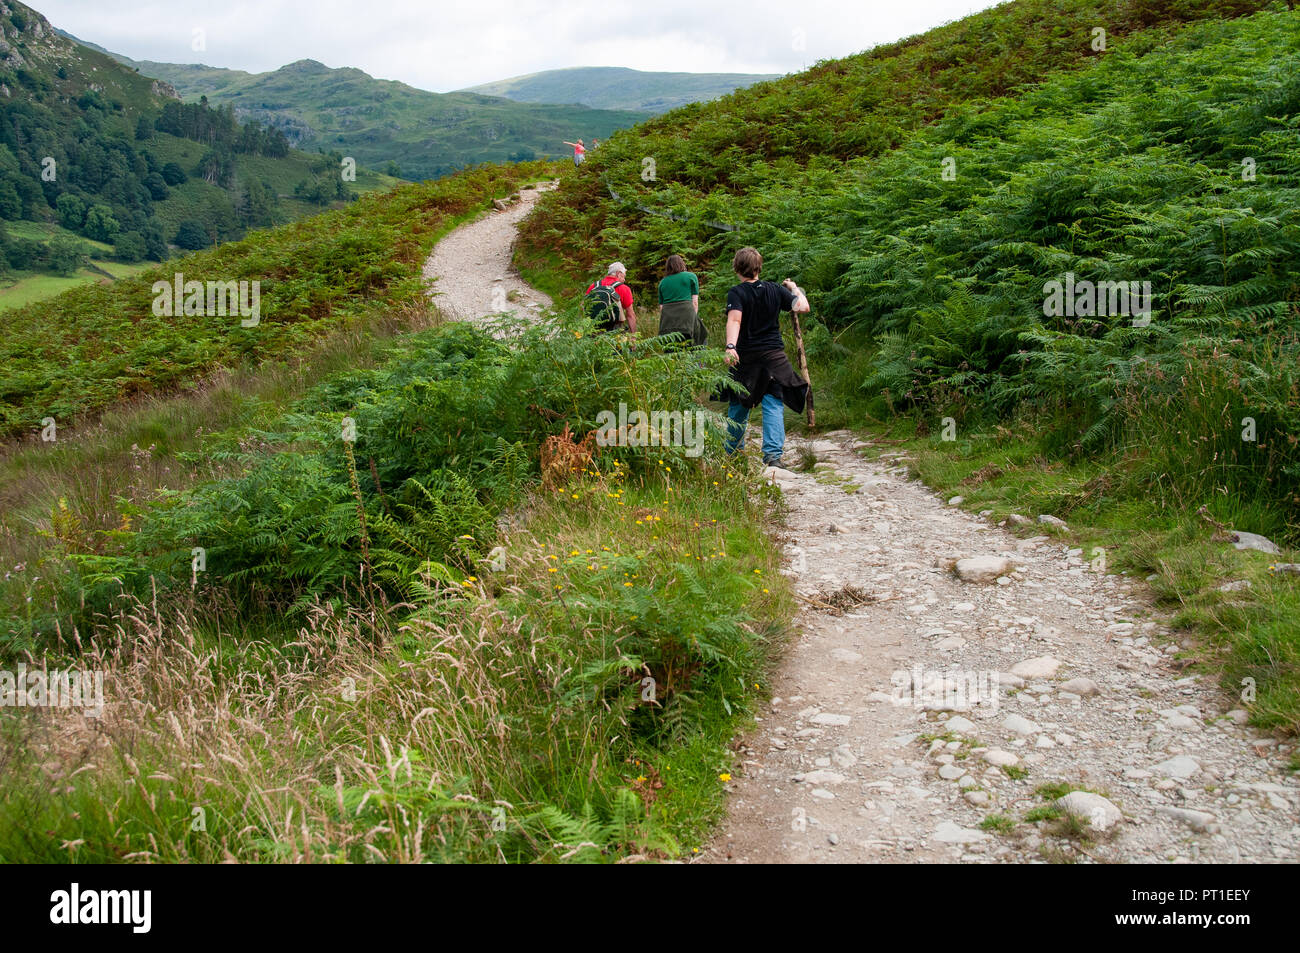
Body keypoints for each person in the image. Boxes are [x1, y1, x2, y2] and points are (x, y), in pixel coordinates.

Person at [720, 246, 810, 468]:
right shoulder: (774, 290)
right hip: (773, 357)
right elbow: (802, 306)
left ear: (737, 268)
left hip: (747, 357)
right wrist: (795, 289)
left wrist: (731, 346)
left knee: (740, 404)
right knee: (773, 402)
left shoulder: (737, 292)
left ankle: (732, 454)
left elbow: (735, 320)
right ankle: (772, 456)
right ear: (758, 267)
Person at [656, 254, 706, 346]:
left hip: (668, 323)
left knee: (672, 349)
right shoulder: (691, 277)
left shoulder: (662, 282)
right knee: (700, 339)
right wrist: (694, 319)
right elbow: (695, 302)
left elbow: (661, 308)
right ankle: (698, 360)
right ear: (682, 264)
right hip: (687, 318)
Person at [584, 261, 637, 335]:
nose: (624, 279)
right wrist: (634, 336)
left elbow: (583, 306)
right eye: (624, 276)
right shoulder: (623, 288)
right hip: (614, 332)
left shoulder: (594, 286)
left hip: (593, 330)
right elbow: (630, 315)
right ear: (618, 274)